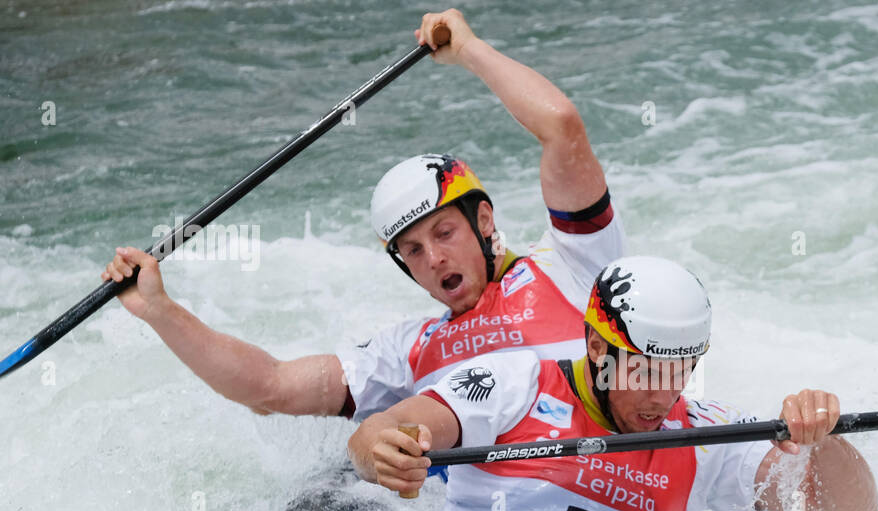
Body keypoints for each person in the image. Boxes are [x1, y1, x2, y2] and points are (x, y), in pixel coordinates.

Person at [348, 256, 878, 511]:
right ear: (598, 350)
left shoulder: (705, 436)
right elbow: (387, 428)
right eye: (645, 372)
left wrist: (822, 439)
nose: (662, 396)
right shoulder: (517, 383)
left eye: (680, 372)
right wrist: (384, 450)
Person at [100, 9, 622, 423]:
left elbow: (562, 129)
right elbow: (270, 388)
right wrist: (161, 312)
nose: (434, 258)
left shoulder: (575, 268)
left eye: (444, 232)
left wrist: (467, 50)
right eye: (413, 250)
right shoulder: (408, 352)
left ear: (484, 221)